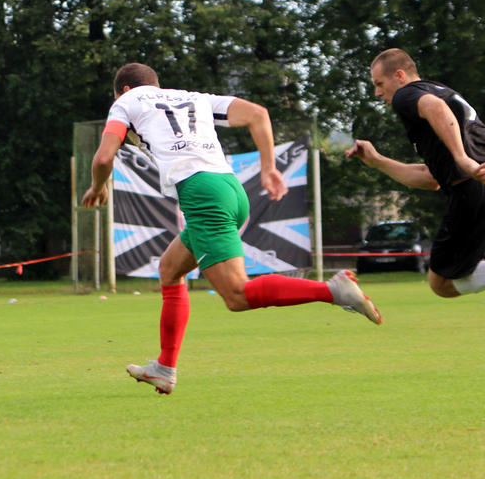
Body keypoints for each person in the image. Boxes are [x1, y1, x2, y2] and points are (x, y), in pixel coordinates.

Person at [82, 63, 382, 395]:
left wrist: (98, 187)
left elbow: (103, 158)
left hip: (203, 195)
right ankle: (164, 369)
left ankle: (332, 291)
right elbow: (257, 114)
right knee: (169, 269)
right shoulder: (193, 97)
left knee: (237, 296)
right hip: (230, 190)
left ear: (123, 89)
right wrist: (268, 169)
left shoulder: (127, 102)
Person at [345, 48, 485, 375]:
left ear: (399, 75)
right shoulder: (444, 91)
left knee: (441, 283)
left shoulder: (410, 96)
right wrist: (378, 160)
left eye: (379, 83)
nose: (377, 92)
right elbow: (431, 179)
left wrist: (463, 159)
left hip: (476, 187)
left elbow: (433, 109)